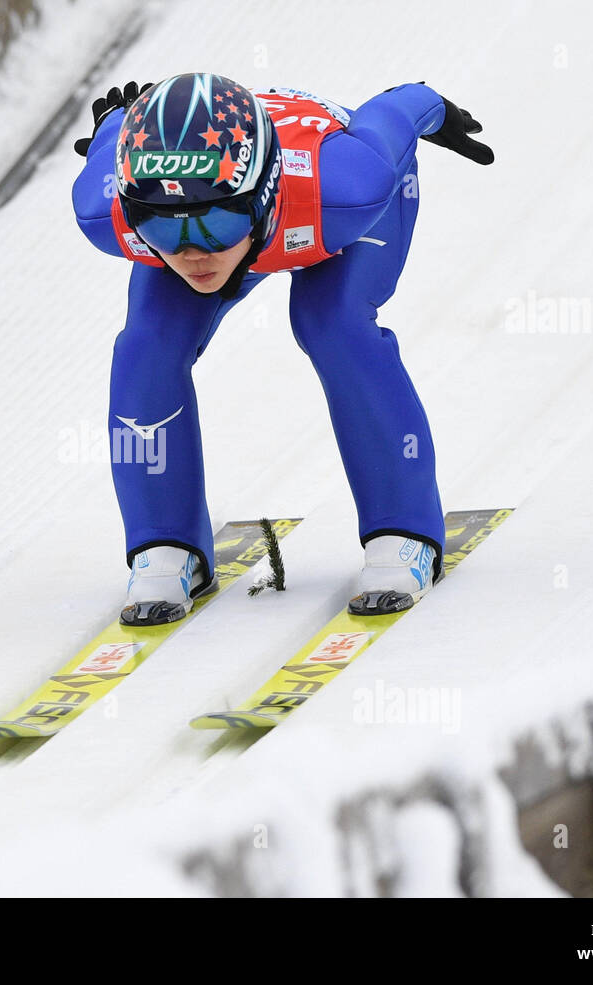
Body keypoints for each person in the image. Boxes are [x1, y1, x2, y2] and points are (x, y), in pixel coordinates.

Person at [70, 73, 493, 626]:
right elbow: (117, 150)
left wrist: (432, 105)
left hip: (315, 212)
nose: (194, 252)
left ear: (261, 195)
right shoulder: (108, 212)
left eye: (216, 222)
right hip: (255, 210)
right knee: (145, 347)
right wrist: (115, 126)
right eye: (163, 229)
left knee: (332, 323)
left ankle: (403, 531)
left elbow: (391, 109)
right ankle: (164, 545)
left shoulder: (346, 185)